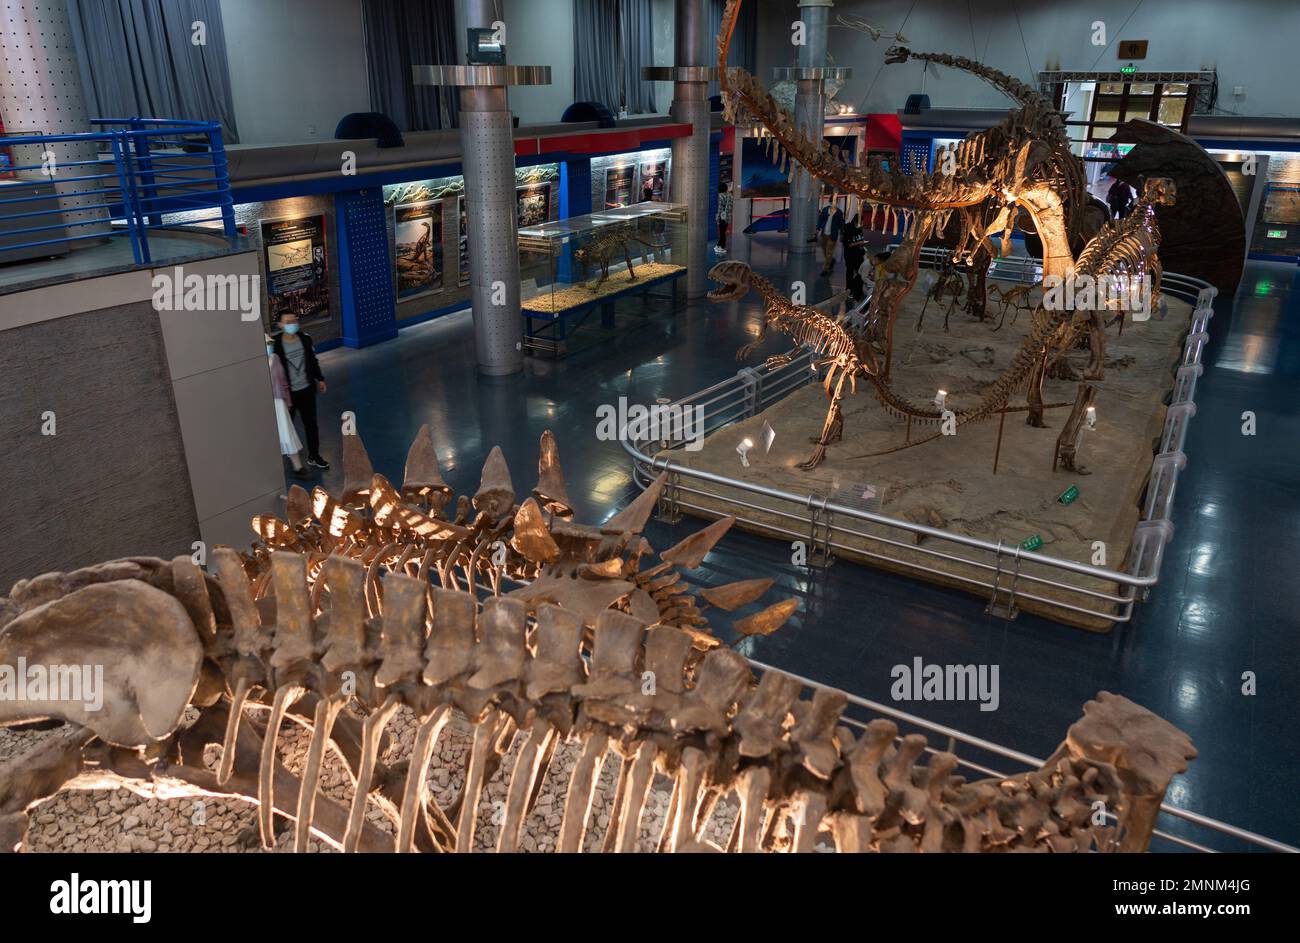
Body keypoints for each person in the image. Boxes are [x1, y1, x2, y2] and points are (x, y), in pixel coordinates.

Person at [272, 312, 329, 470]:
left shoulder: (304, 339)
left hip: (306, 389)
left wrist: (320, 378)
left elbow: (312, 359)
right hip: (288, 395)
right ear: (280, 325)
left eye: (294, 320)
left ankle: (314, 455)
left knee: (311, 424)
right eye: (288, 321)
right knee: (286, 426)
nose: (292, 323)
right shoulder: (275, 345)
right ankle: (290, 456)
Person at [266, 334, 306, 477]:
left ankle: (298, 467)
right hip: (265, 405)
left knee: (287, 432)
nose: (269, 347)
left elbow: (283, 381)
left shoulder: (275, 359)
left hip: (278, 402)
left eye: (270, 344)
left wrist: (287, 400)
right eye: (266, 344)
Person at [813, 198, 844, 275]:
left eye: (836, 202)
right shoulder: (825, 210)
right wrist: (817, 229)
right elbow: (820, 219)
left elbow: (841, 224)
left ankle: (825, 269)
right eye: (832, 202)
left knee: (829, 252)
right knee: (825, 250)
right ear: (830, 202)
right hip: (824, 234)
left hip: (833, 235)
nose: (834, 203)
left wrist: (842, 234)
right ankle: (831, 260)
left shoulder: (839, 212)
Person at [842, 213, 868, 301]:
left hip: (859, 254)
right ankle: (849, 290)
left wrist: (862, 244)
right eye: (862, 222)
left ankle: (857, 291)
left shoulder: (859, 229)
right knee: (850, 272)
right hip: (850, 255)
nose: (863, 224)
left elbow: (860, 238)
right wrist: (858, 243)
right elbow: (847, 244)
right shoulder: (848, 229)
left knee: (860, 272)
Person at [715, 181, 733, 254]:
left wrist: (717, 218)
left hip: (722, 217)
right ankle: (719, 246)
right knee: (723, 232)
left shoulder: (720, 196)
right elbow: (731, 207)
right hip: (727, 216)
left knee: (722, 233)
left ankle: (721, 247)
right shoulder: (730, 196)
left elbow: (719, 208)